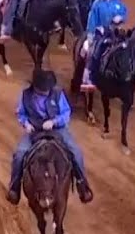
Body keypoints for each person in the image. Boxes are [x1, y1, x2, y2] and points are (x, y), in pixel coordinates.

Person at [7, 68, 93, 205]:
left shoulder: (58, 94)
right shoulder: (25, 95)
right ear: (35, 87)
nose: (46, 92)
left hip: (57, 129)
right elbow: (21, 113)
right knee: (19, 154)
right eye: (43, 90)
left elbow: (66, 113)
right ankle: (14, 187)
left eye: (47, 89)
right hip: (35, 130)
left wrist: (54, 122)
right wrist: (26, 124)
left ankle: (82, 184)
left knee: (75, 151)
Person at [79, 0, 129, 92]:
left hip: (116, 32)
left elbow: (125, 13)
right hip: (100, 33)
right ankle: (88, 75)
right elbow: (91, 21)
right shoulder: (97, 5)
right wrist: (92, 33)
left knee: (127, 48)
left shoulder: (118, 3)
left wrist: (120, 17)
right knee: (94, 51)